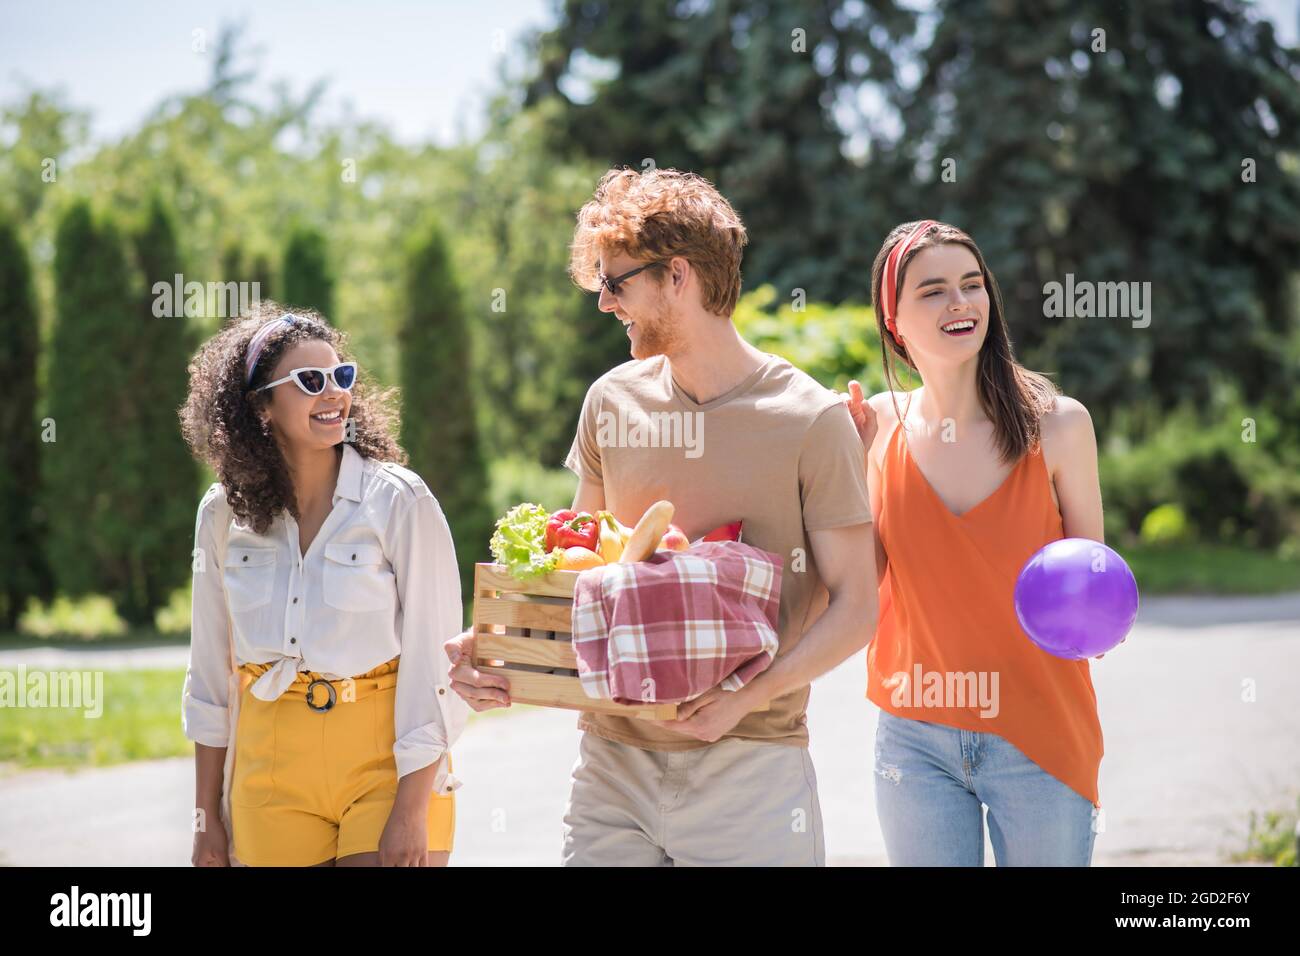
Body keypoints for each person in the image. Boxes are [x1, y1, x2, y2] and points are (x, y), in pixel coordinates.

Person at [446, 167, 879, 866]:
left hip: (751, 772)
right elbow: (575, 575)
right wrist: (496, 650)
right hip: (612, 768)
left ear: (678, 275)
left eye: (616, 282)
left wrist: (744, 700)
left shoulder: (810, 419)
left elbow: (857, 607)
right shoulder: (610, 402)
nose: (603, 303)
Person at [843, 220, 1106, 866]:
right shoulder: (877, 428)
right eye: (933, 291)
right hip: (916, 739)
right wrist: (844, 471)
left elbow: (1090, 593)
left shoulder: (1060, 425)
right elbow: (860, 593)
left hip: (1038, 734)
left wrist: (1097, 608)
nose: (961, 303)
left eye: (972, 284)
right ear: (894, 320)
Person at [180, 304, 467, 867]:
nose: (333, 393)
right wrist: (205, 817)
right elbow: (210, 673)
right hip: (270, 768)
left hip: (385, 762)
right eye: (310, 382)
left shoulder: (400, 500)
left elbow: (437, 664)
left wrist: (411, 810)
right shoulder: (220, 515)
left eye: (342, 377)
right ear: (261, 406)